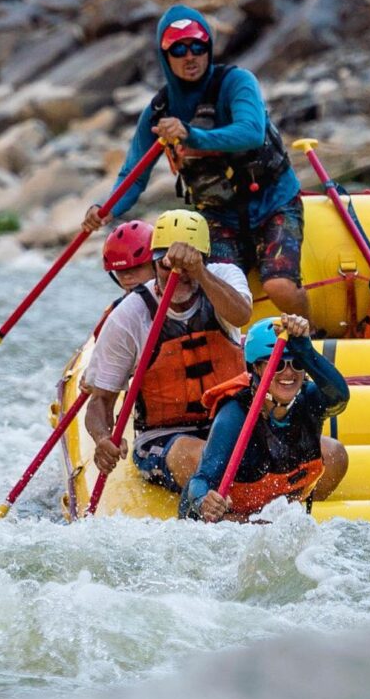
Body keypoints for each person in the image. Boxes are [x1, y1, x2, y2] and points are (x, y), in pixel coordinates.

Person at [81, 5, 309, 318]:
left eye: (198, 47)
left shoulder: (237, 82)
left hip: (274, 203)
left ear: (209, 48)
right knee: (205, 291)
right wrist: (107, 209)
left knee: (278, 286)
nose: (190, 56)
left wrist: (191, 136)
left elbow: (252, 132)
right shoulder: (160, 111)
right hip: (218, 217)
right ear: (165, 56)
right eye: (178, 49)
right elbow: (134, 174)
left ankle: (309, 334)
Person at [83, 209, 252, 492]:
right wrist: (102, 438)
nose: (178, 275)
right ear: (153, 263)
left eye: (189, 268)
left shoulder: (222, 277)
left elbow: (241, 315)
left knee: (326, 453)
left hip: (229, 424)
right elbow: (100, 401)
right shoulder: (128, 315)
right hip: (164, 437)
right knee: (202, 457)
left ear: (204, 260)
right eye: (167, 265)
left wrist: (200, 273)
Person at [181, 315, 350, 522]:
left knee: (336, 453)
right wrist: (203, 502)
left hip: (272, 509)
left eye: (297, 363)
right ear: (257, 369)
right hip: (230, 518)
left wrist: (306, 351)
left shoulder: (310, 399)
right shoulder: (235, 415)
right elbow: (202, 479)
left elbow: (340, 397)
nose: (289, 373)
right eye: (277, 364)